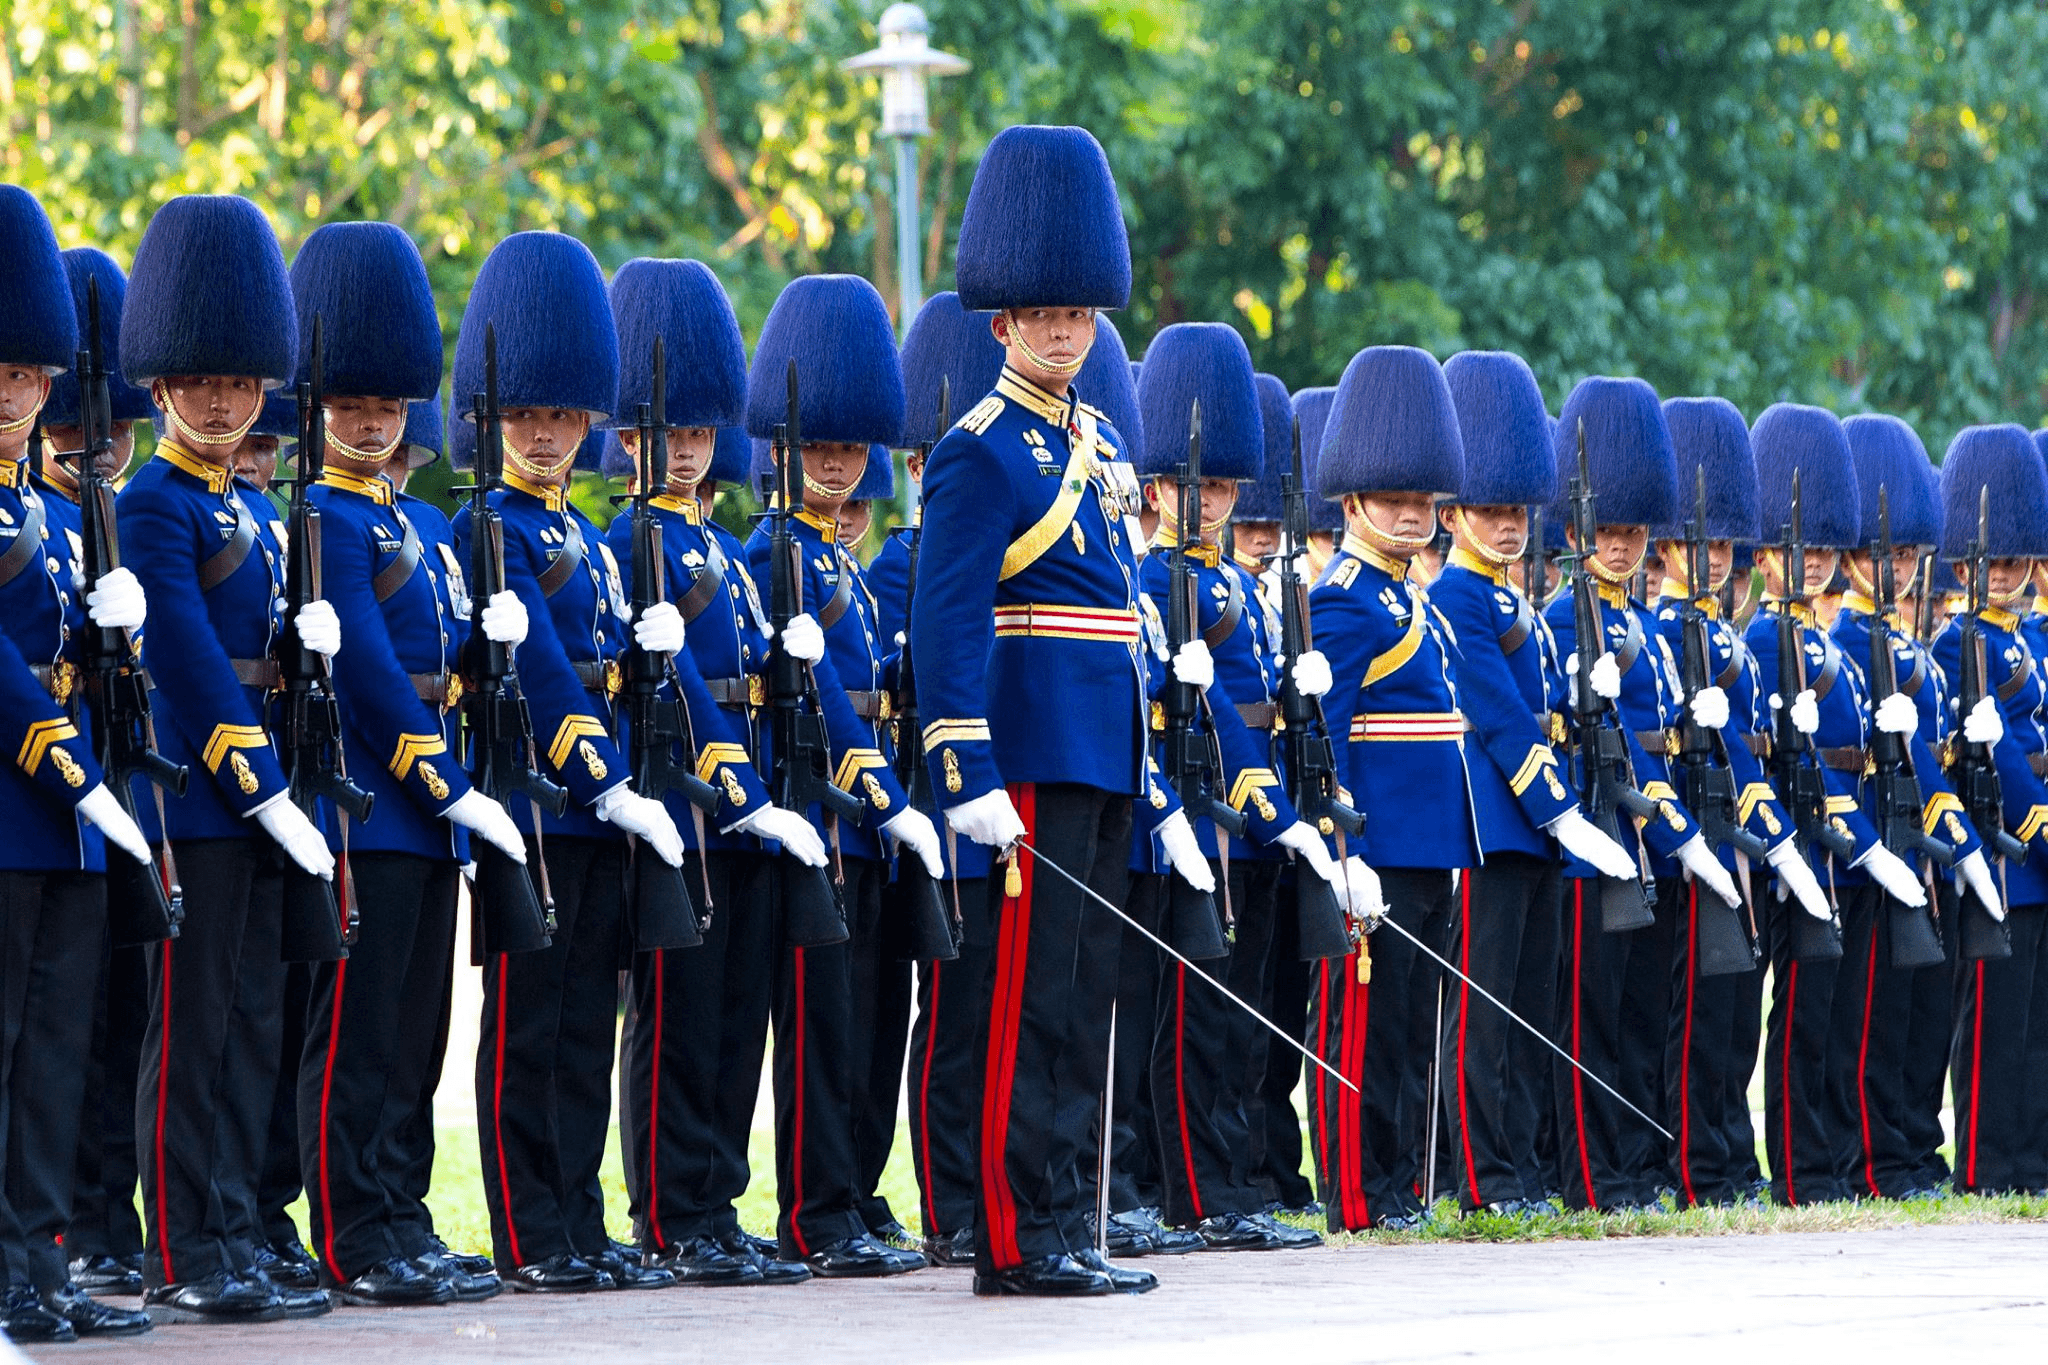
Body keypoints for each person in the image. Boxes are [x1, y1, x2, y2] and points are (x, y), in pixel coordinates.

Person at [912, 124, 1167, 1297]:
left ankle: (1067, 1219)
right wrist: (961, 772)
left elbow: (1123, 619)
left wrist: (1145, 768)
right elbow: (947, 618)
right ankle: (1013, 1240)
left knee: (1079, 1001)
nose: (1063, 328)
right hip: (1021, 757)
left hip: (1100, 751)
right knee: (1021, 1003)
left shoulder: (1105, 443)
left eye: (1078, 311)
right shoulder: (975, 452)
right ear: (1001, 321)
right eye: (1040, 312)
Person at [287, 221, 531, 1306]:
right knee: (358, 1033)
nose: (373, 421)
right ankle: (351, 1231)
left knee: (417, 1032)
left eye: (387, 407)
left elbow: (448, 660)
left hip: (430, 811)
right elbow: (374, 674)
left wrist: (494, 641)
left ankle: (403, 1213)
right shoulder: (321, 515)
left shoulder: (425, 524)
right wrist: (444, 781)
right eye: (352, 407)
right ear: (321, 407)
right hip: (371, 803)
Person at [449, 230, 690, 1294]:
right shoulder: (482, 525)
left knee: (586, 1023)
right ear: (495, 419)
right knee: (530, 1027)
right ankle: (528, 1229)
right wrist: (604, 776)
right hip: (538, 801)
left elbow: (600, 666)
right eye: (528, 415)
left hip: (600, 808)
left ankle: (579, 1221)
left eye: (562, 416)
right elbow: (542, 676)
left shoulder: (586, 537)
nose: (546, 436)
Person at [117, 194, 342, 1324]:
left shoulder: (247, 508)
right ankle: (184, 1249)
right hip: (204, 800)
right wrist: (257, 787)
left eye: (238, 381)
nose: (221, 398)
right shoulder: (152, 501)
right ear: (159, 385)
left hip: (269, 794)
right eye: (200, 381)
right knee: (194, 1028)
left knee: (257, 1023)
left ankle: (238, 1228)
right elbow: (189, 657)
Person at [598, 257, 827, 1286]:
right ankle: (671, 1206)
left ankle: (714, 1198)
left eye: (695, 434)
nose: (682, 453)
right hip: (686, 802)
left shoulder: (724, 549)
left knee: (736, 1017)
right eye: (663, 437)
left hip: (749, 802)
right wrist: (740, 790)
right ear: (628, 438)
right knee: (680, 1013)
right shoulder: (626, 538)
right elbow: (677, 676)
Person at [741, 276, 940, 1277]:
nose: (837, 467)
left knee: (868, 1021)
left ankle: (857, 1192)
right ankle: (817, 1212)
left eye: (850, 451)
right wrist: (878, 797)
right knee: (821, 1029)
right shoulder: (769, 552)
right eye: (820, 449)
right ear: (784, 450)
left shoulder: (841, 563)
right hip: (819, 812)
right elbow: (804, 699)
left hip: (867, 819)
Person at [1128, 323, 1342, 1250]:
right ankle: (1199, 1190)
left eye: (1219, 485)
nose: (1209, 502)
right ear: (1154, 487)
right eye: (1191, 485)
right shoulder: (1149, 578)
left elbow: (1259, 708)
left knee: (1246, 1016)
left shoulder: (1242, 587)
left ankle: (1239, 1174)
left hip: (1254, 821)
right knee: (1195, 1019)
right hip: (1201, 812)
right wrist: (1268, 807)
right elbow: (1186, 717)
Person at [0, 187, 156, 1347]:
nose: (12, 397)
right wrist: (67, 759)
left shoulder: (56, 518)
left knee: (57, 1054)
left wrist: (122, 640)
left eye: (25, 377)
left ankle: (39, 1264)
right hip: (21, 806)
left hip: (73, 822)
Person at [1430, 351, 1637, 1218]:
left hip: (1540, 827)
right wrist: (1563, 811)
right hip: (1494, 818)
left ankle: (1521, 1165)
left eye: (1517, 509)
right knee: (1482, 1015)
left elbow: (1550, 711)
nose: (1509, 523)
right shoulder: (1455, 595)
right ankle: (1483, 1178)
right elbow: (1500, 719)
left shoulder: (1517, 600)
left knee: (1527, 1011)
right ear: (1457, 512)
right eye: (1491, 508)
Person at [1542, 377, 1742, 1212]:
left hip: (1643, 838)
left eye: (1632, 530)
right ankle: (1592, 1175)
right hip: (1596, 828)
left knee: (1635, 1014)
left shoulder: (1650, 632)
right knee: (1589, 1018)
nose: (1620, 545)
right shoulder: (1562, 617)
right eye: (1606, 530)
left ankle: (1631, 1163)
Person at [1304, 345, 1473, 1232]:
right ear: (1354, 500)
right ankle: (1358, 1194)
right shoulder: (1346, 600)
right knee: (1360, 1031)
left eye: (1423, 501)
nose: (1414, 516)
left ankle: (1402, 1180)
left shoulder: (1413, 599)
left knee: (1411, 1031)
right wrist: (1344, 854)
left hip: (1430, 843)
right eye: (1397, 500)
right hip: (1376, 848)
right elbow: (1324, 743)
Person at [1746, 403, 1929, 1206]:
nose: (1814, 562)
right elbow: (1791, 761)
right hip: (1805, 851)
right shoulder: (1762, 640)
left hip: (1843, 850)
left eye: (1824, 548)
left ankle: (1832, 1160)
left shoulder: (1825, 647)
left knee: (1841, 1020)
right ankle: (1798, 1165)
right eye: (1799, 548)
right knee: (1803, 1018)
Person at [1648, 397, 1819, 1209]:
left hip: (1732, 836)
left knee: (1732, 1011)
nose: (1710, 557)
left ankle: (1724, 1154)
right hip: (1678, 837)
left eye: (1720, 543)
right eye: (1693, 543)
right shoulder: (1651, 628)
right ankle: (1691, 1164)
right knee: (1687, 1014)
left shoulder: (1725, 636)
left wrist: (1773, 837)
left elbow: (1745, 750)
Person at [1829, 413, 1994, 1201]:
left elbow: (1932, 758)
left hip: (1918, 838)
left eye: (1903, 553)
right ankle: (1875, 1157)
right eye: (1879, 553)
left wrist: (1955, 833)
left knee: (1919, 1018)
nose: (1893, 566)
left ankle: (1910, 1149)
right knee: (1872, 1022)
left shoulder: (1906, 645)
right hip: (1872, 840)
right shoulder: (1851, 639)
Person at [37, 246, 154, 1309]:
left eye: (108, 435)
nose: (94, 451)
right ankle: (53, 1238)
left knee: (107, 1028)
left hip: (122, 804)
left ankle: (88, 1231)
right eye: (75, 436)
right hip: (47, 793)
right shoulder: (31, 519)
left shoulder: (106, 524)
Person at [879, 290, 1004, 1267]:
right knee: (953, 1020)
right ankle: (949, 1199)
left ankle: (993, 1191)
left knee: (1002, 1013)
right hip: (936, 806)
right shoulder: (892, 566)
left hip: (1010, 799)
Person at [1930, 424, 2048, 1197]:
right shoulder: (1956, 642)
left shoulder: (2026, 641)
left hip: (2033, 864)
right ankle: (1985, 1164)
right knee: (1996, 1025)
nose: (2001, 574)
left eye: (2012, 558)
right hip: (2008, 855)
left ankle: (2029, 1160)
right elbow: (2000, 757)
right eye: (1989, 561)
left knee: (2036, 1031)